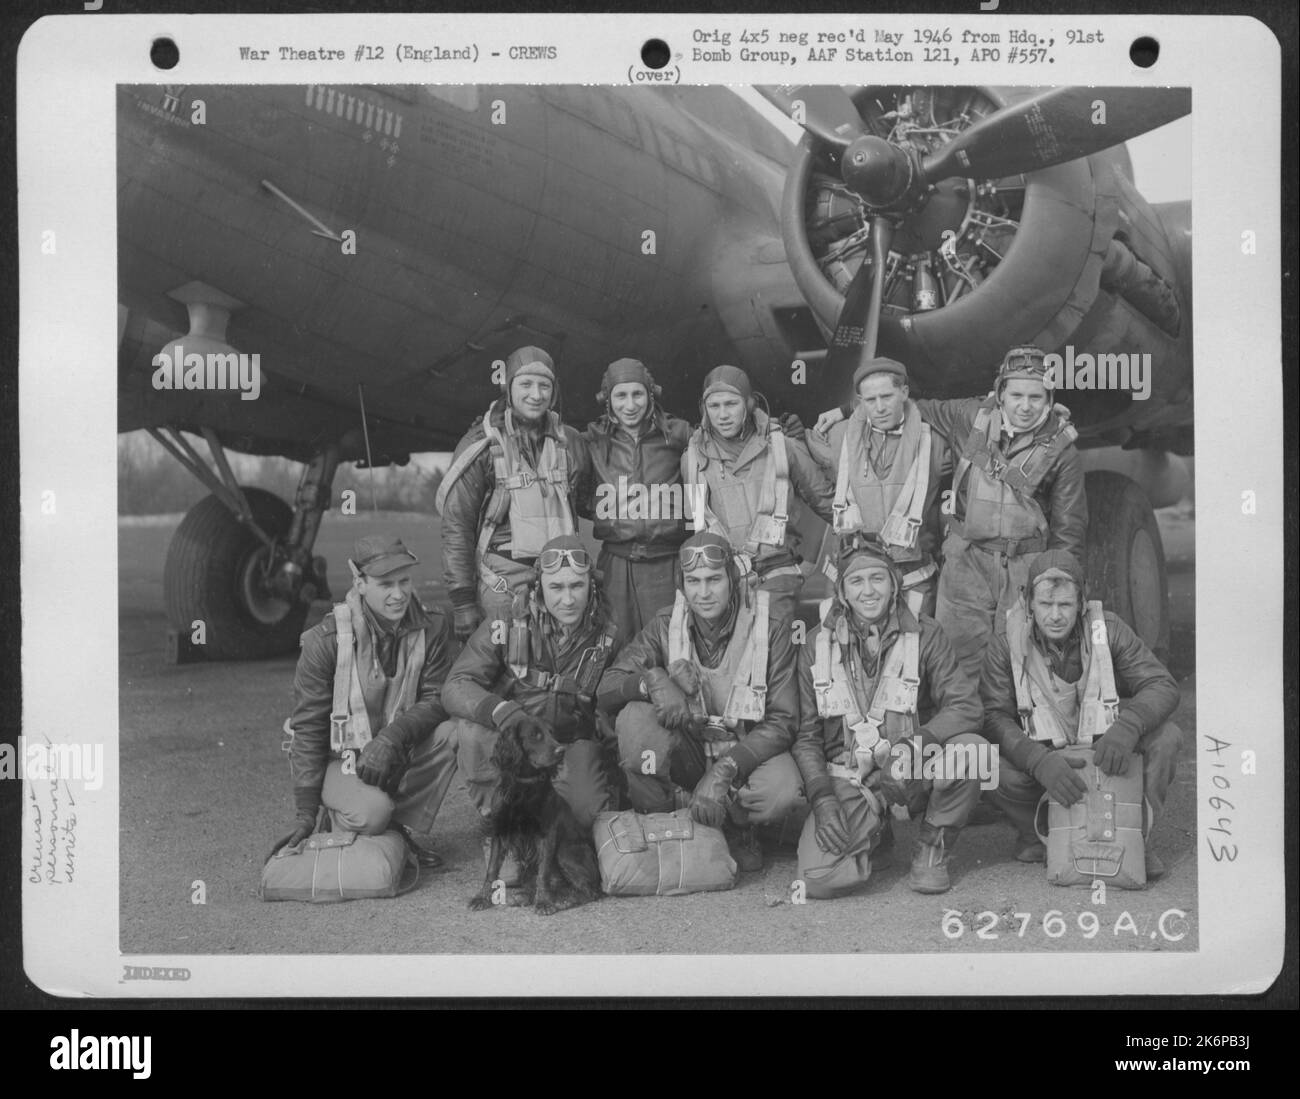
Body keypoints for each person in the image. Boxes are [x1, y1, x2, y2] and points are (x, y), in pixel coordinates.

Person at [816, 345, 1087, 681]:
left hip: (1023, 565)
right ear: (1000, 394)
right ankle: (966, 729)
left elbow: (1069, 530)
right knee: (958, 661)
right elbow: (910, 406)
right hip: (966, 563)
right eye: (1017, 395)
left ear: (1049, 399)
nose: (1025, 406)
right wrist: (846, 411)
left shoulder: (1062, 452)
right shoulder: (969, 417)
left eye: (1036, 397)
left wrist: (1059, 588)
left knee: (1022, 660)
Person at [596, 531, 805, 871]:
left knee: (781, 790)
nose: (703, 592)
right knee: (635, 721)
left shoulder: (771, 627)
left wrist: (726, 770)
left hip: (743, 753)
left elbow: (784, 721)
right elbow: (607, 686)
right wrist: (649, 683)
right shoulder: (665, 625)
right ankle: (672, 816)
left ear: (733, 580)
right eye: (693, 581)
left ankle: (738, 826)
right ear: (682, 584)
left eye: (713, 579)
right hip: (689, 751)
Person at [792, 536, 985, 897]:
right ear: (843, 592)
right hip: (851, 776)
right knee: (819, 878)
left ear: (894, 584)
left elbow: (966, 707)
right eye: (857, 581)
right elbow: (806, 737)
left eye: (878, 579)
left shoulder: (925, 633)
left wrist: (914, 745)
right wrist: (823, 798)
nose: (868, 591)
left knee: (973, 753)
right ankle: (873, 830)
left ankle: (932, 845)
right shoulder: (816, 644)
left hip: (911, 767)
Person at [980, 549, 1182, 876]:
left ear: (1083, 602)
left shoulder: (1109, 629)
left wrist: (1128, 726)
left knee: (1167, 737)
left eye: (1065, 605)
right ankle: (1036, 831)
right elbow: (993, 717)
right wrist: (1037, 761)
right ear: (1028, 601)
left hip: (1103, 757)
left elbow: (1162, 684)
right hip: (1045, 764)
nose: (1055, 616)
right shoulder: (1005, 643)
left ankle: (1135, 836)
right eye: (1046, 605)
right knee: (984, 761)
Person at [272, 535, 457, 868]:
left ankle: (396, 827)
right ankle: (366, 817)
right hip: (339, 758)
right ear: (359, 583)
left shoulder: (434, 625)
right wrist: (305, 814)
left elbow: (436, 697)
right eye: (385, 584)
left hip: (395, 750)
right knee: (372, 814)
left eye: (404, 581)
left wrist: (391, 737)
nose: (399, 594)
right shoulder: (324, 641)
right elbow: (309, 729)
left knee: (453, 734)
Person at [439, 534, 622, 832]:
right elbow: (457, 685)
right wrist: (503, 712)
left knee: (586, 814)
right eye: (556, 587)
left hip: (568, 742)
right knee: (470, 731)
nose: (568, 599)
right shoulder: (506, 621)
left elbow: (616, 699)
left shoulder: (609, 632)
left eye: (577, 586)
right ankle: (500, 823)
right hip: (517, 740)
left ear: (592, 585)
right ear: (539, 586)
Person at [435, 345, 591, 642]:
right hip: (503, 583)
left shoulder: (569, 442)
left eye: (544, 386)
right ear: (508, 388)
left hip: (560, 577)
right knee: (504, 667)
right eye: (526, 384)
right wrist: (463, 600)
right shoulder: (482, 443)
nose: (536, 394)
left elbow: (588, 500)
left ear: (554, 391)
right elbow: (457, 525)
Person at [683, 364, 835, 623]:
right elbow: (697, 526)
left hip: (778, 574)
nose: (723, 415)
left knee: (772, 650)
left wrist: (811, 561)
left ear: (749, 403)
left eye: (731, 404)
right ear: (704, 409)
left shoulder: (782, 446)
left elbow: (830, 505)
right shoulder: (692, 460)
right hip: (723, 579)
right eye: (714, 406)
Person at [804, 357, 948, 618]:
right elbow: (800, 459)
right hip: (859, 578)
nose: (880, 408)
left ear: (904, 392)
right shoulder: (838, 435)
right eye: (870, 400)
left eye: (887, 397)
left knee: (916, 651)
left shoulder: (934, 440)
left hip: (913, 577)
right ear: (860, 401)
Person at [583, 357, 693, 645]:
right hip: (616, 563)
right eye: (620, 395)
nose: (630, 405)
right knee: (614, 644)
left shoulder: (679, 434)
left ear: (650, 395)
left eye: (637, 394)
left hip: (668, 561)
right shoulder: (592, 441)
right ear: (607, 399)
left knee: (671, 642)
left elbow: (725, 439)